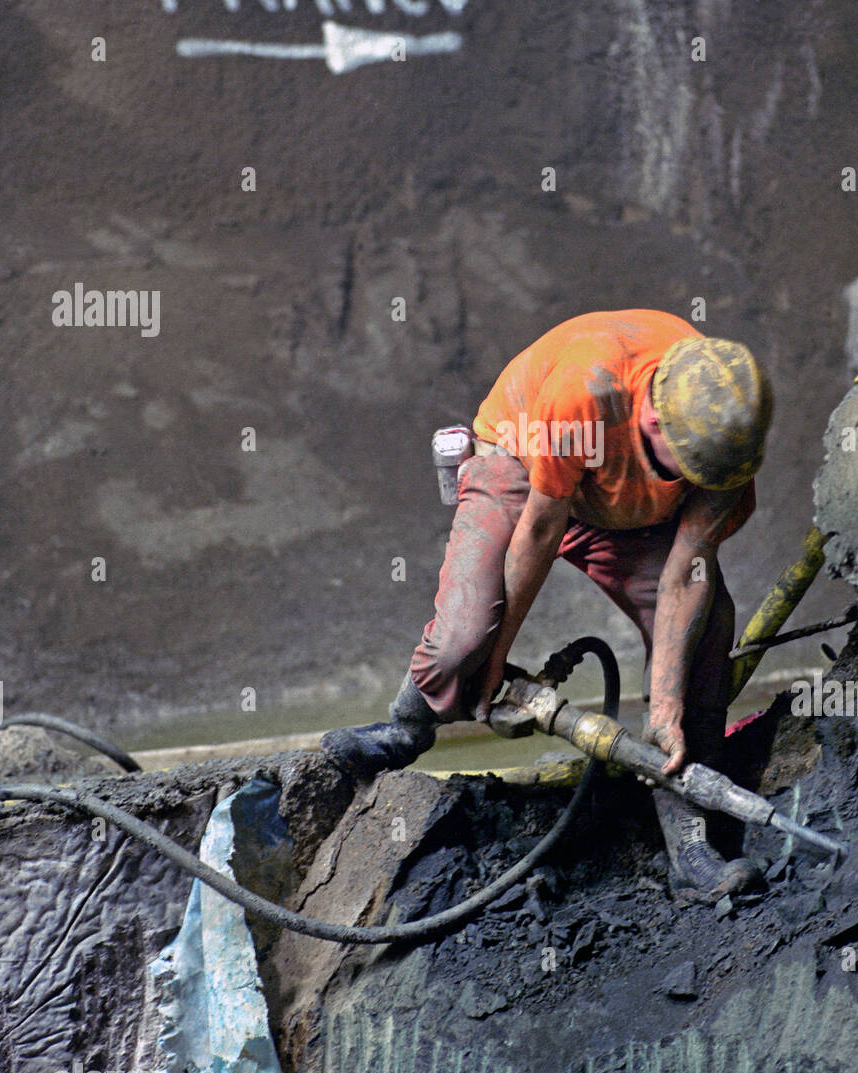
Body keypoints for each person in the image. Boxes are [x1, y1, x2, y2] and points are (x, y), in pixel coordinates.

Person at [324, 309, 772, 904]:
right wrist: (493, 659)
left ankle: (691, 850)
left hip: (626, 510)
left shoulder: (724, 445)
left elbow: (684, 574)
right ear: (653, 415)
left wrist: (665, 703)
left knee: (706, 635)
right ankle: (406, 731)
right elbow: (539, 528)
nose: (695, 481)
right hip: (525, 459)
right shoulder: (588, 389)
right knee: (465, 633)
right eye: (683, 467)